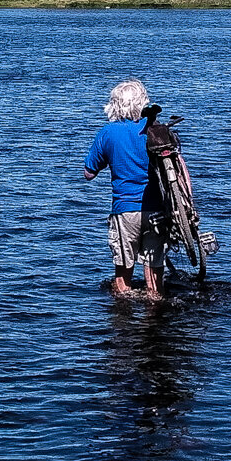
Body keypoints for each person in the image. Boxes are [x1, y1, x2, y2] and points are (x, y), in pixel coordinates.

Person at [84, 78, 167, 299]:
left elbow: (88, 173)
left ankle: (123, 325)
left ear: (115, 105)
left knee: (122, 275)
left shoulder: (108, 133)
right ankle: (155, 321)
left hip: (125, 211)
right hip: (157, 210)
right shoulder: (154, 130)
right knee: (154, 277)